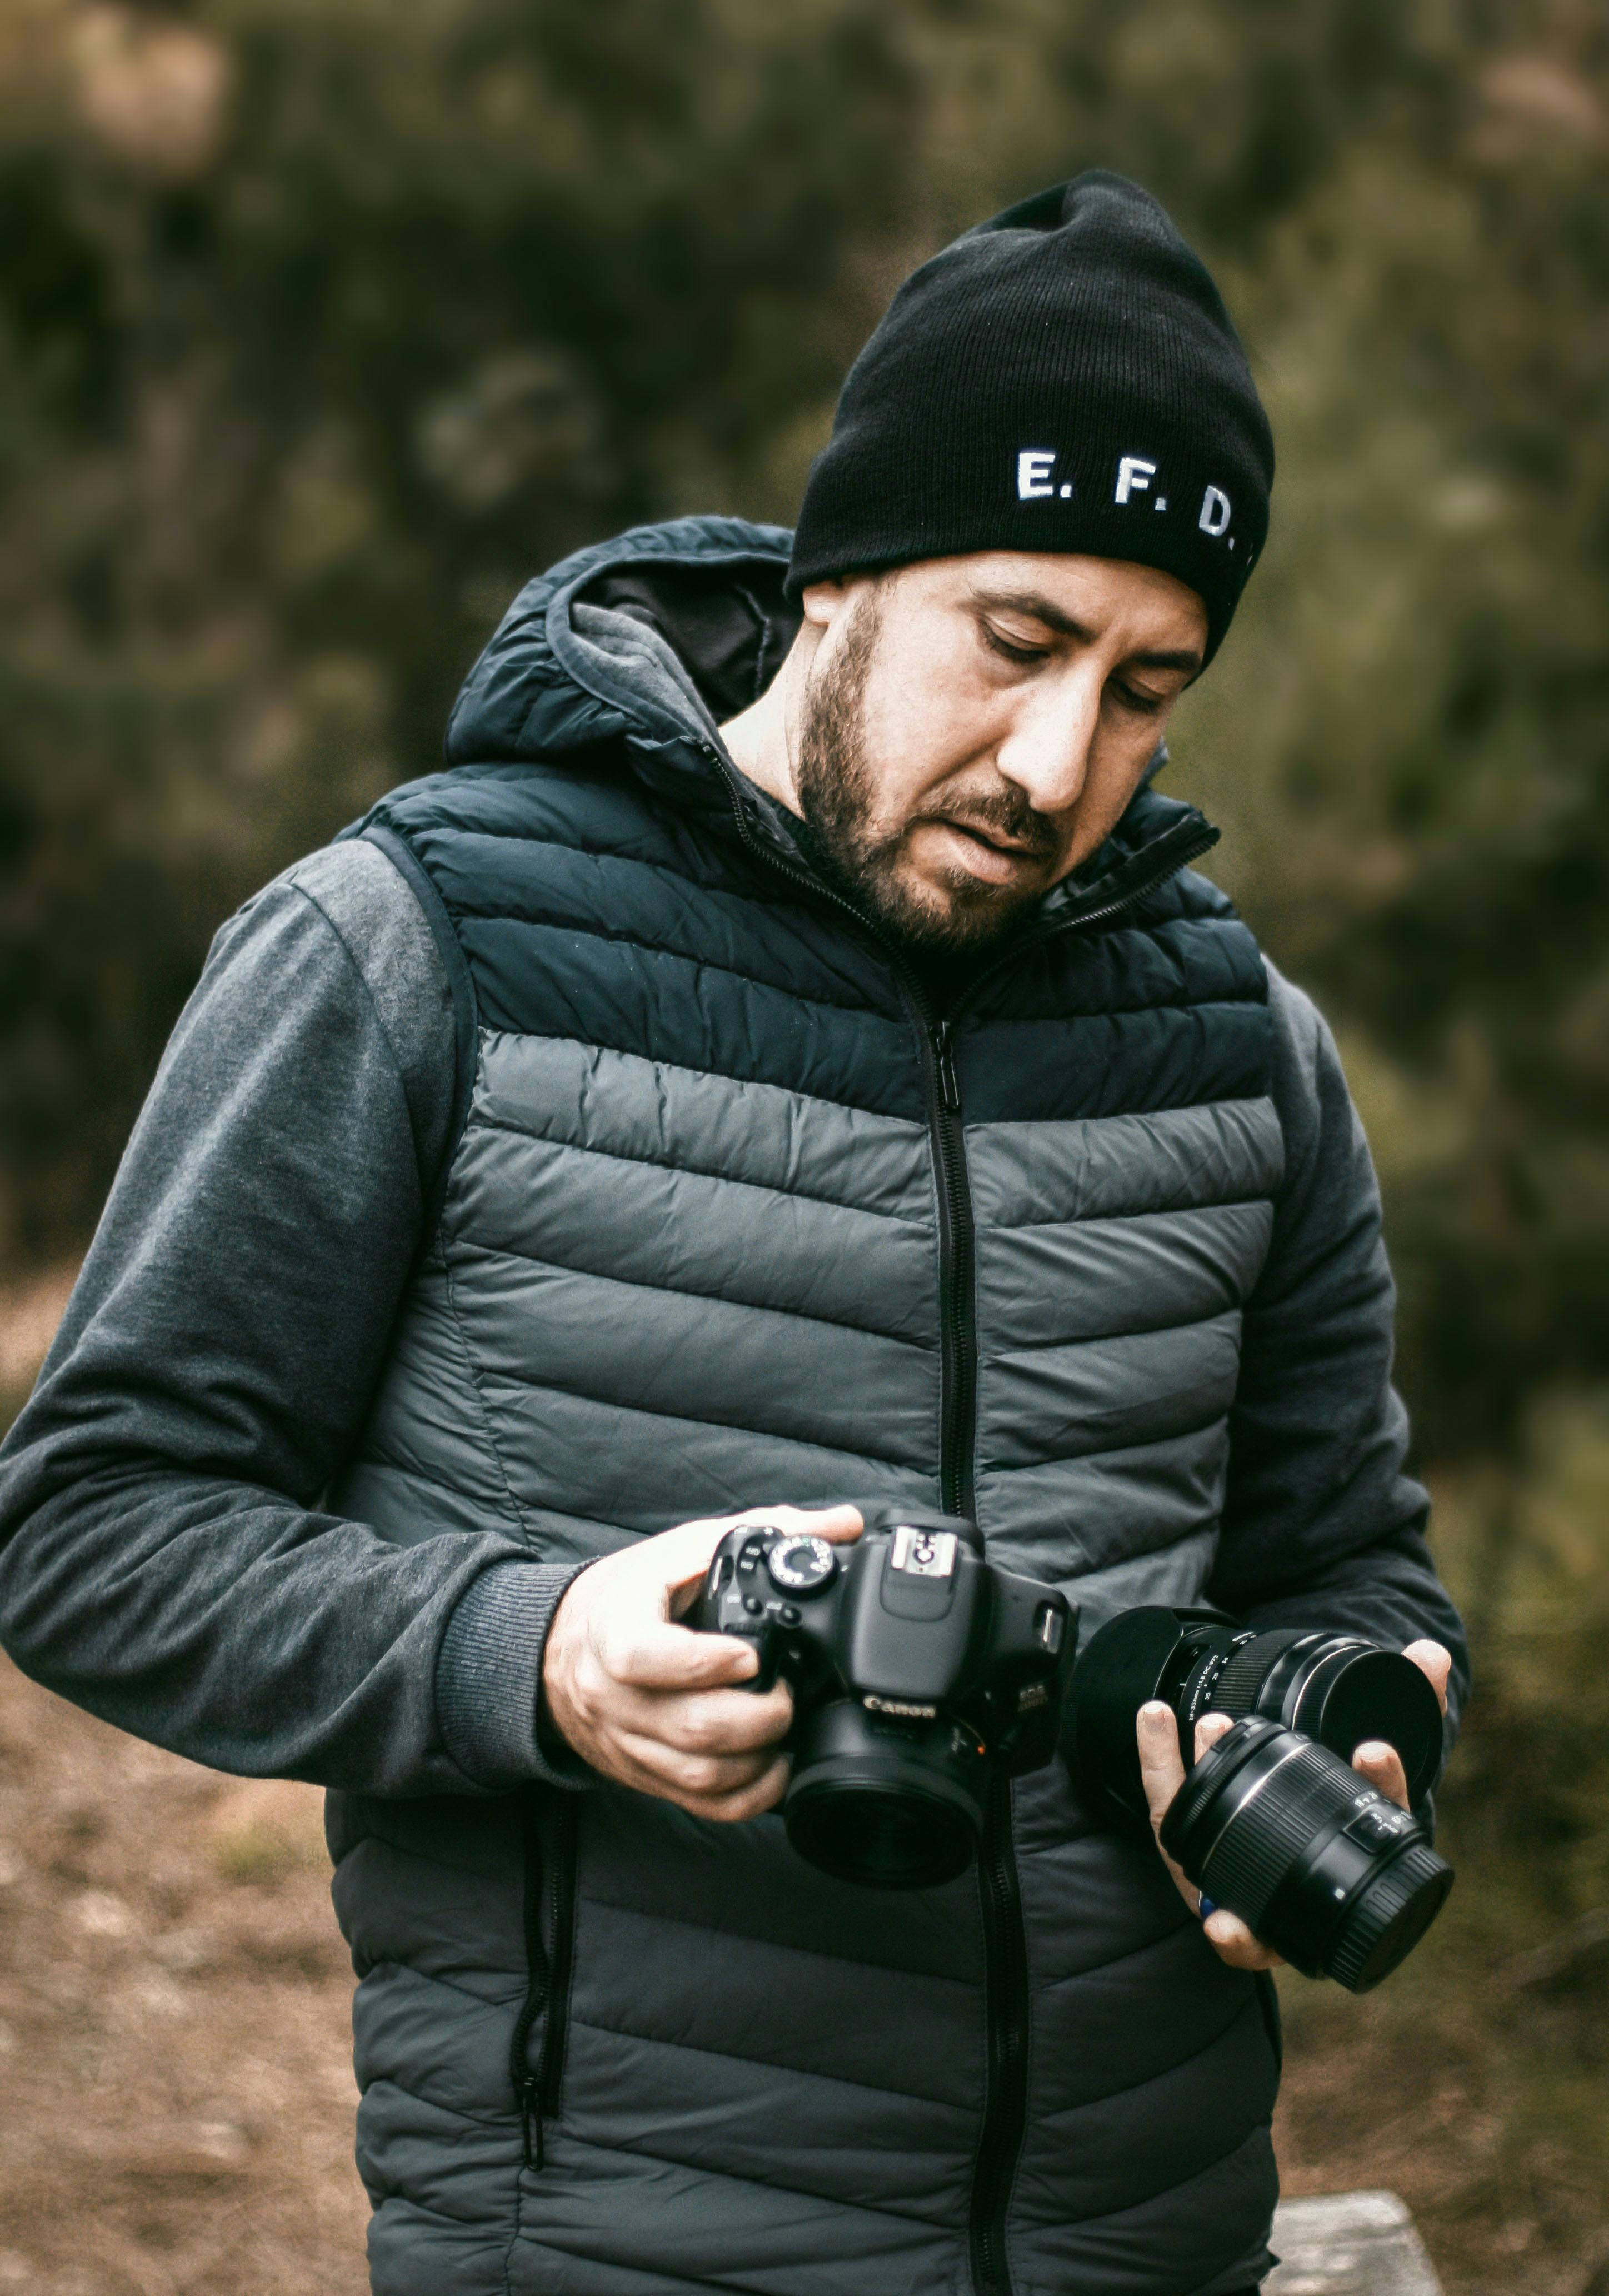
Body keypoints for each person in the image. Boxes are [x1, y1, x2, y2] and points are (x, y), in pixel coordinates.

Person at [0, 172, 1467, 2296]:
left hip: (1154, 2238)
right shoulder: (418, 944)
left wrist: (1352, 1720)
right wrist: (537, 1654)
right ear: (847, 573)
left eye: (1151, 683)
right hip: (614, 2245)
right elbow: (87, 1529)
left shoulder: (1244, 1048)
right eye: (1021, 640)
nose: (1064, 766)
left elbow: (1348, 1558)